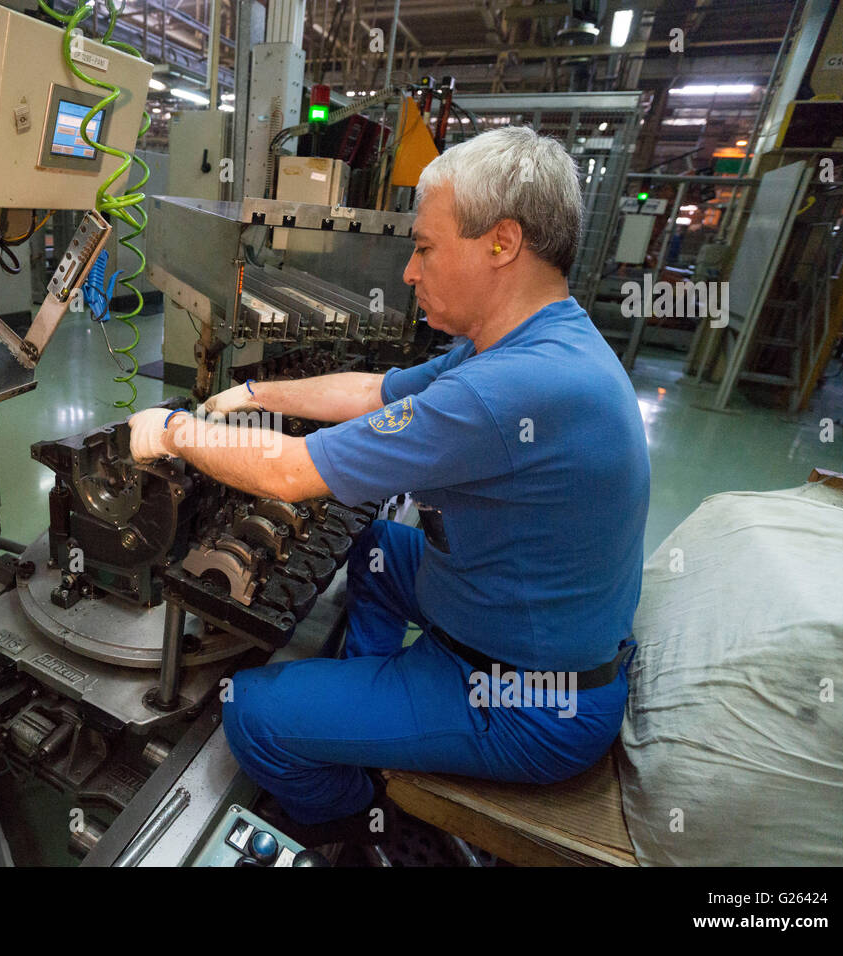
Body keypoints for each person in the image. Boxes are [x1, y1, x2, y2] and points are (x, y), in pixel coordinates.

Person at [126, 125, 650, 844]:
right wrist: (250, 394)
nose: (408, 271)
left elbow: (290, 473)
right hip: (508, 621)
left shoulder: (513, 388)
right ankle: (373, 712)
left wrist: (173, 430)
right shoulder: (534, 343)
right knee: (374, 549)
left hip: (523, 701)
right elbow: (373, 390)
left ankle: (359, 815)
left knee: (250, 710)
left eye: (426, 248)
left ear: (502, 242)